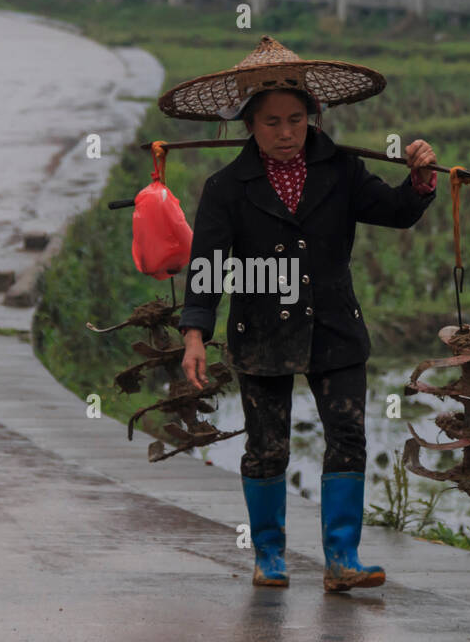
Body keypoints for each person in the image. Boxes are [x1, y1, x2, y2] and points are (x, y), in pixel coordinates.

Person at [159, 36, 440, 592]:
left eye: (295, 119)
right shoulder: (226, 188)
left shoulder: (341, 171)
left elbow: (396, 212)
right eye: (271, 123)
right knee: (268, 444)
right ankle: (269, 557)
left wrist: (422, 178)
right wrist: (194, 334)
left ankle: (342, 559)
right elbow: (208, 265)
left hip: (335, 327)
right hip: (260, 331)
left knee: (348, 436)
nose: (286, 133)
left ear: (313, 116)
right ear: (249, 125)